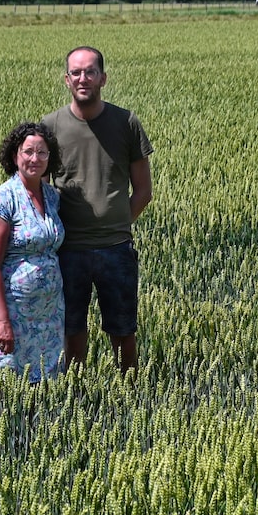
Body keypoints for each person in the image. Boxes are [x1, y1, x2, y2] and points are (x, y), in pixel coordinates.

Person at [41, 46, 154, 374]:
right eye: (76, 72)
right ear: (66, 80)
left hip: (115, 248)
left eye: (90, 71)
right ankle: (77, 392)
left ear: (103, 78)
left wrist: (116, 224)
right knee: (71, 327)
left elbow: (143, 191)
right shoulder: (50, 126)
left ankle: (128, 392)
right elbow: (41, 190)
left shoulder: (126, 122)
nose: (83, 78)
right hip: (67, 250)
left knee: (123, 329)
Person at [0, 121, 65, 386]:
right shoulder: (2, 200)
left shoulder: (52, 197)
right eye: (28, 151)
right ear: (15, 155)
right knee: (6, 389)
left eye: (42, 152)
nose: (35, 158)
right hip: (15, 315)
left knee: (43, 391)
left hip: (48, 317)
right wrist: (3, 322)